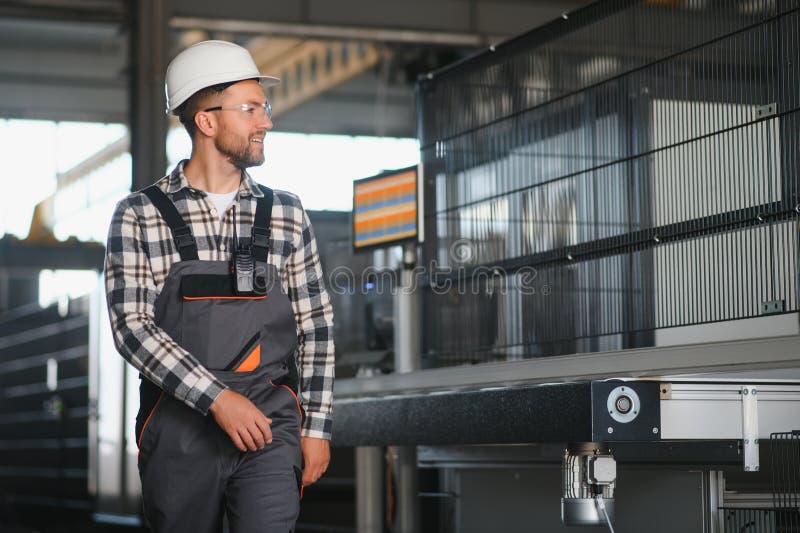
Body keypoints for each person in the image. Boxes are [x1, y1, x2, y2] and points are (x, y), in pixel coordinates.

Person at [104, 40, 335, 533]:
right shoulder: (140, 215)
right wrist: (217, 399)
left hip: (269, 428)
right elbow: (131, 328)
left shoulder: (286, 213)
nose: (265, 122)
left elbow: (316, 327)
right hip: (178, 429)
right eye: (250, 109)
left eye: (263, 107)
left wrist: (316, 428)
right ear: (206, 122)